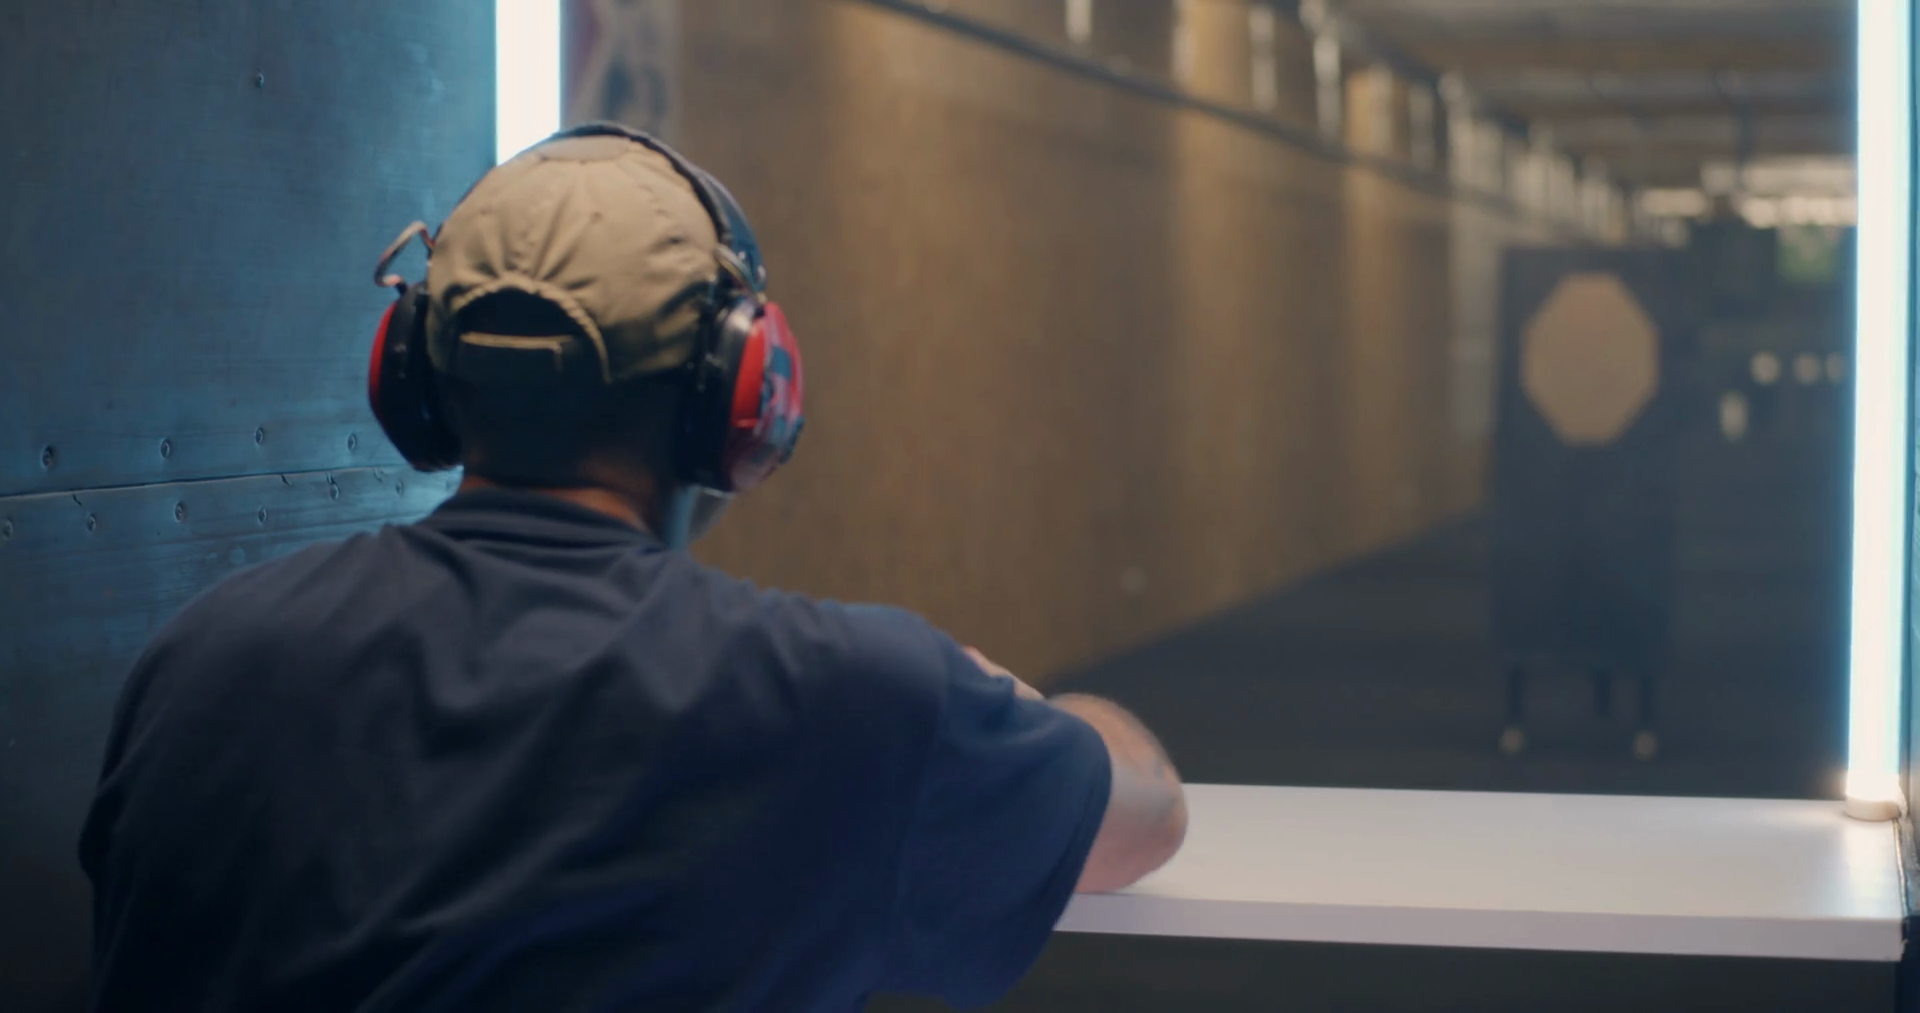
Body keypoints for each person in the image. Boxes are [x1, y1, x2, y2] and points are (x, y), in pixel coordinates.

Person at [78, 124, 1186, 1013]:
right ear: (743, 392)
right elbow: (1144, 819)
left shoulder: (200, 663)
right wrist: (1022, 706)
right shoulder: (853, 697)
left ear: (416, 372)